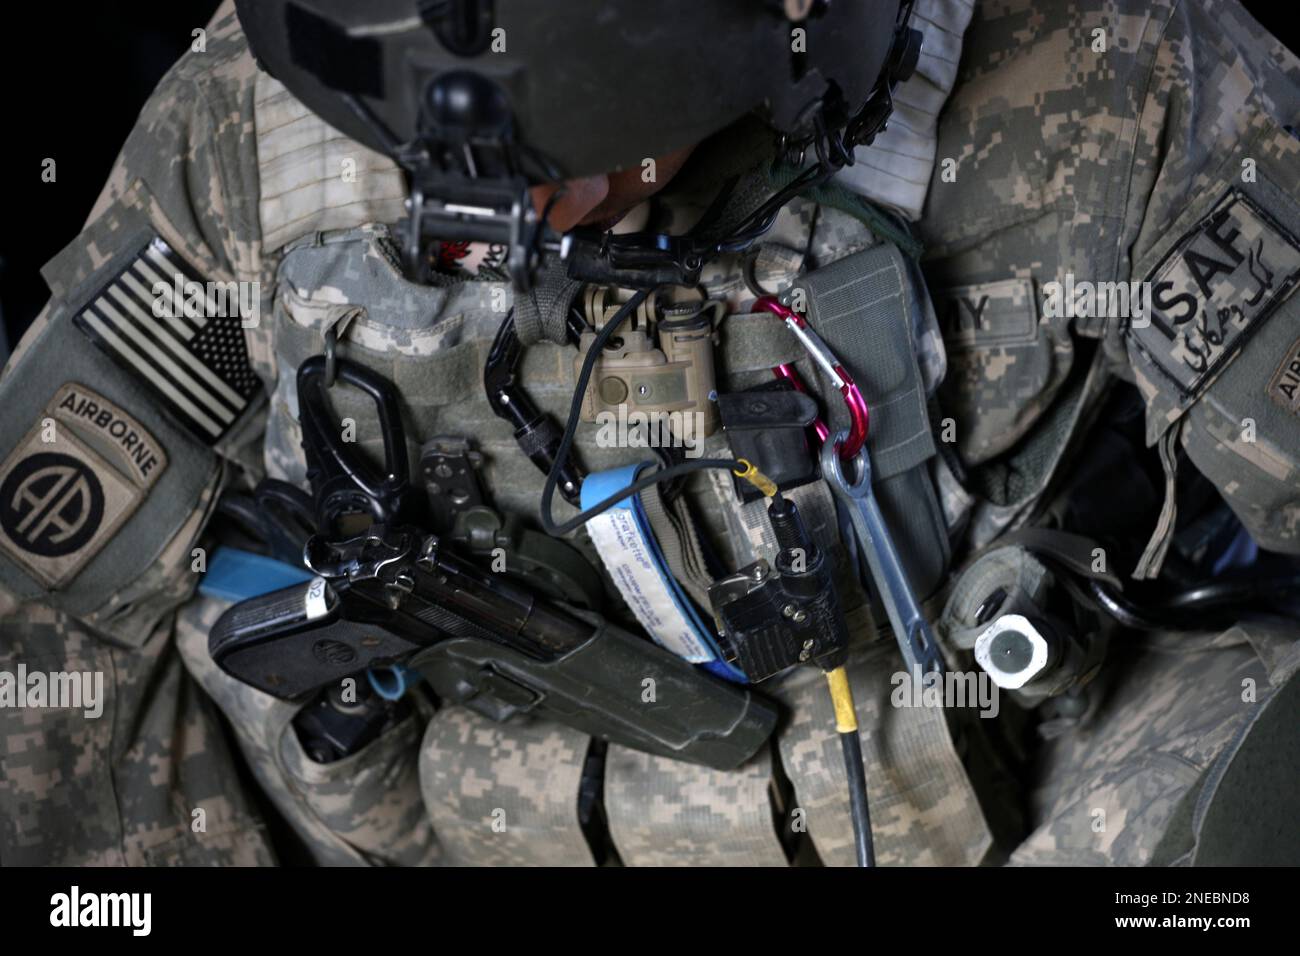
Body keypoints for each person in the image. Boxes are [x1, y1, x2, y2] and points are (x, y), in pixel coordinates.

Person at [1, 0, 1296, 867]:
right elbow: (48, 596)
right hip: (466, 822)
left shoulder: (1106, 72)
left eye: (568, 165)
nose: (504, 212)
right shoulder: (251, 134)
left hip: (997, 800)